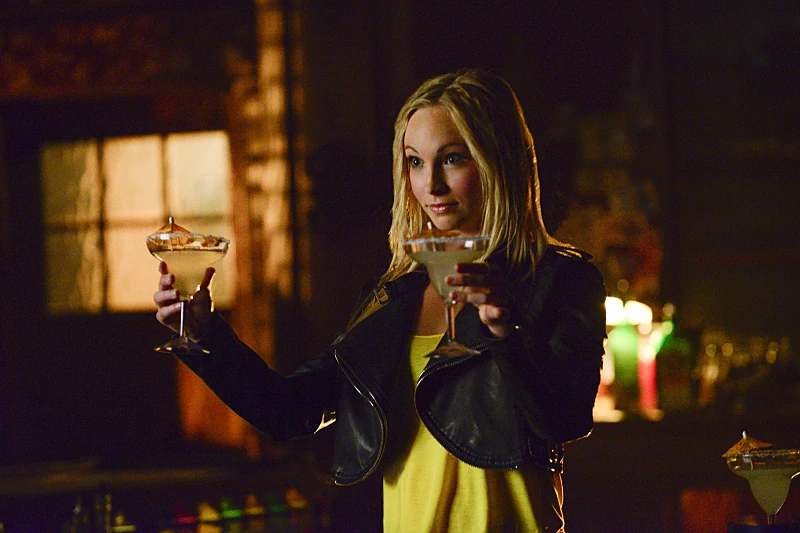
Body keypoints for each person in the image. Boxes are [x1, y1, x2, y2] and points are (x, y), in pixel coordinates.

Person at [153, 68, 607, 532]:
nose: (431, 184)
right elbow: (289, 413)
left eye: (452, 159)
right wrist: (204, 335)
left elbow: (566, 419)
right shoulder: (394, 296)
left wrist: (506, 334)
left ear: (499, 160)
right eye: (415, 162)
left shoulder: (559, 280)